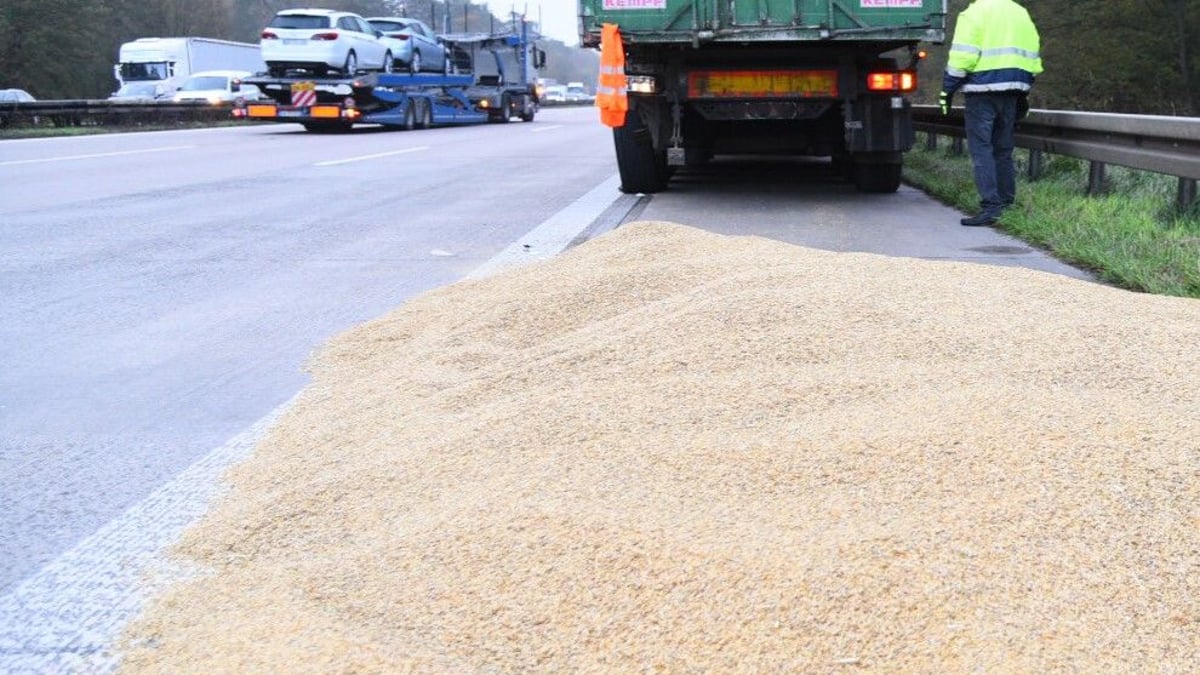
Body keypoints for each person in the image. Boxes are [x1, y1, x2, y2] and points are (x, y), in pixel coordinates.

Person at [939, 0, 1042, 226]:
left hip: (981, 92)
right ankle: (1006, 203)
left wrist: (947, 90)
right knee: (1003, 149)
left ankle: (991, 207)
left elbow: (962, 58)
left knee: (981, 149)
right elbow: (1034, 53)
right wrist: (1025, 86)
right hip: (1014, 90)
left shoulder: (974, 13)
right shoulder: (1020, 12)